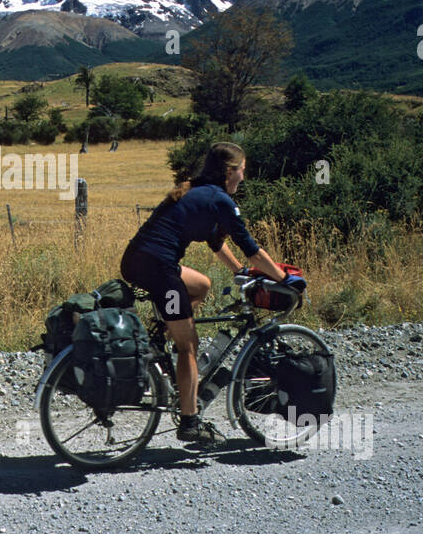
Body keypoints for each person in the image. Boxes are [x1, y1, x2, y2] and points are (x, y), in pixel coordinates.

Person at [120, 142, 304, 447]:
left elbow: (216, 242)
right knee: (188, 346)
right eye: (242, 171)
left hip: (139, 259)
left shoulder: (199, 191)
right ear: (231, 172)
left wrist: (238, 271)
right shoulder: (220, 200)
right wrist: (286, 279)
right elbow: (254, 252)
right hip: (158, 268)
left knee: (201, 285)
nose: (244, 177)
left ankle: (159, 339)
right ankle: (191, 423)